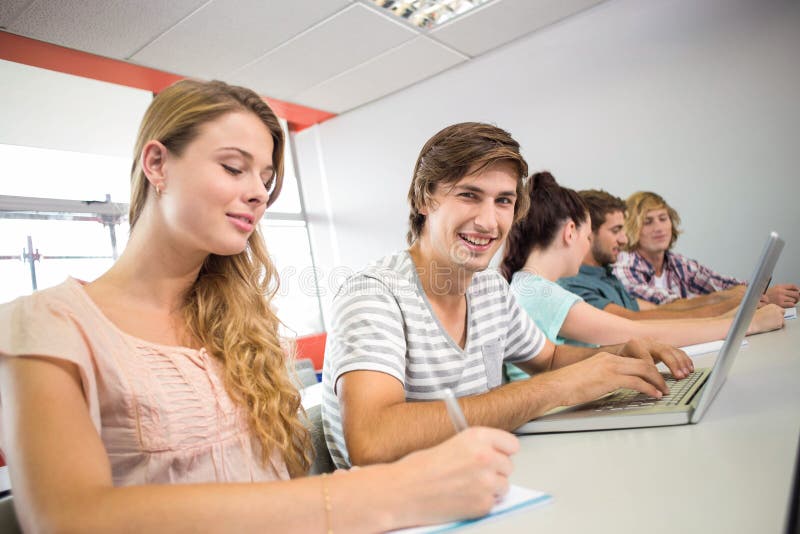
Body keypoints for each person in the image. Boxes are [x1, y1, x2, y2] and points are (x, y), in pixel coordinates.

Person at [0, 80, 522, 533]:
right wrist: (392, 491)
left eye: (266, 178)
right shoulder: (47, 323)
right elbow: (68, 518)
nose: (257, 193)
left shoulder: (241, 324)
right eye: (234, 168)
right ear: (157, 164)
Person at [321, 122, 692, 470]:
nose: (488, 221)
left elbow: (549, 360)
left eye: (503, 201)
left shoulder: (489, 288)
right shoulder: (373, 293)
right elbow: (372, 440)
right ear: (424, 199)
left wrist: (620, 354)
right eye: (469, 195)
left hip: (482, 478)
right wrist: (552, 390)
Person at [499, 173, 783, 352]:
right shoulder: (540, 293)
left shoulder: (529, 287)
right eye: (587, 236)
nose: (586, 246)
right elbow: (638, 332)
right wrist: (749, 324)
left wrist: (731, 317)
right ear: (570, 232)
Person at [559, 189, 746, 319]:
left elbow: (661, 310)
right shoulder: (574, 283)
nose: (624, 239)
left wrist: (731, 299)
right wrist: (730, 310)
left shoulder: (606, 275)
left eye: (663, 219)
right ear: (588, 232)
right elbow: (633, 321)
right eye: (616, 230)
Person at [613, 191, 799, 308]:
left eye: (663, 218)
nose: (659, 228)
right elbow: (671, 306)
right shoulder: (624, 265)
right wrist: (753, 299)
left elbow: (723, 284)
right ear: (632, 228)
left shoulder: (677, 262)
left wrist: (761, 294)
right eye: (648, 222)